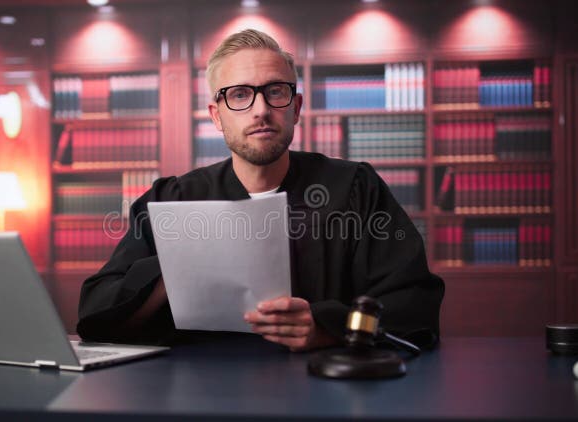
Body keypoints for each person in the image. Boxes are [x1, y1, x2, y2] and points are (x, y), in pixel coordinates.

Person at [77, 29, 444, 352]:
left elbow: (412, 304)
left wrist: (329, 329)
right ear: (217, 115)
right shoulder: (171, 200)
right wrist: (176, 270)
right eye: (239, 95)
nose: (261, 110)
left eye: (276, 92)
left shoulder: (356, 190)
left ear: (296, 107)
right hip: (196, 391)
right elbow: (97, 310)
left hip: (324, 392)